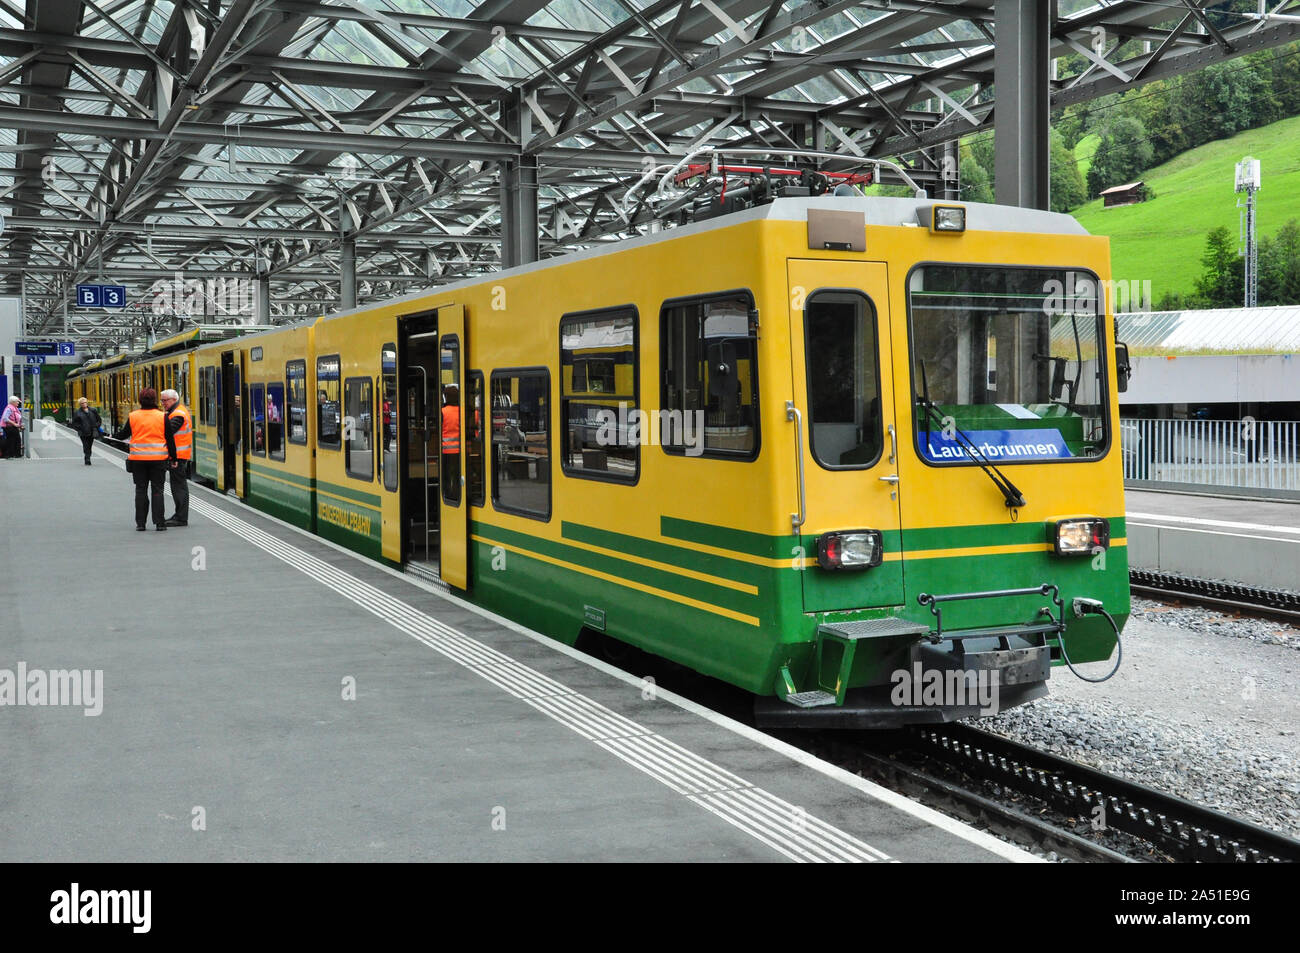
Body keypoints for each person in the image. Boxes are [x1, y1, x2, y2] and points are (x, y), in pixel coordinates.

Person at [114, 388, 176, 532]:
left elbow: (124, 434)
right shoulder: (162, 416)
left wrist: (112, 436)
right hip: (158, 460)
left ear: (140, 400)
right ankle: (160, 523)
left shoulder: (133, 416)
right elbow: (170, 439)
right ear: (155, 400)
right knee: (158, 491)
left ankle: (141, 524)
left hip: (138, 460)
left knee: (141, 490)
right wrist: (173, 457)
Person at [160, 389, 191, 526]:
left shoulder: (178, 414)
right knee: (177, 487)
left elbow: (168, 431)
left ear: (173, 399)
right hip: (177, 455)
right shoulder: (176, 411)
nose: (163, 404)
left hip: (178, 457)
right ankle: (179, 515)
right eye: (162, 401)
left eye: (165, 400)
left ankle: (181, 518)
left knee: (179, 487)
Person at [441, 383, 460, 502]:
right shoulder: (463, 411)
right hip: (461, 450)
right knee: (458, 474)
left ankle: (448, 495)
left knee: (447, 475)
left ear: (447, 397)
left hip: (446, 450)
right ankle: (458, 494)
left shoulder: (443, 412)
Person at [71, 397, 102, 465]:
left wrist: (96, 426)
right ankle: (87, 459)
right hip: (83, 433)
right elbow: (74, 423)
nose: (84, 404)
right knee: (85, 445)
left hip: (92, 432)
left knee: (90, 445)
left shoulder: (93, 410)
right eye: (82, 403)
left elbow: (99, 420)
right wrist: (80, 428)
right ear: (80, 404)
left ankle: (88, 456)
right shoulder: (77, 412)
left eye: (85, 402)